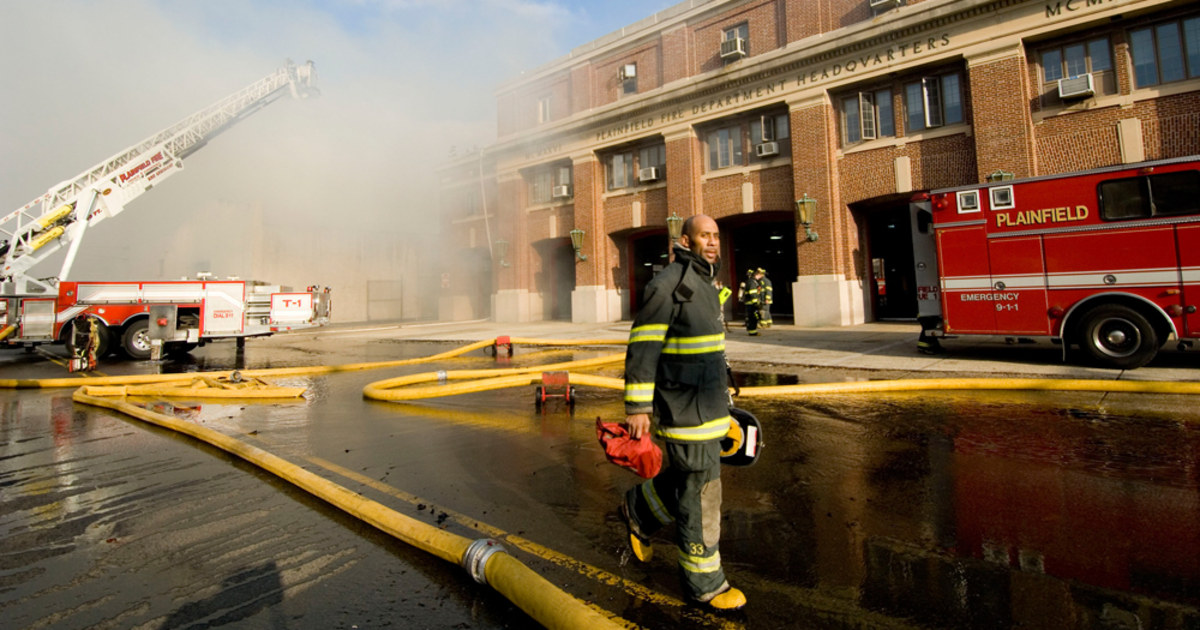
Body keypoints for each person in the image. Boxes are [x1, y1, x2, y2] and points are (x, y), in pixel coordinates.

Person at [619, 214, 747, 611]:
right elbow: (643, 348)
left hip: (708, 405)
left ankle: (638, 509)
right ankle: (704, 583)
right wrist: (638, 406)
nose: (712, 242)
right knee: (703, 492)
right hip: (681, 409)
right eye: (703, 236)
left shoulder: (708, 286)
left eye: (715, 236)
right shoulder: (668, 286)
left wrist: (726, 402)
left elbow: (710, 350)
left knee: (691, 479)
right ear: (686, 241)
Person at [738, 269, 760, 336]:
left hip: (748, 302)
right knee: (753, 318)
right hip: (751, 303)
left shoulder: (746, 282)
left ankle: (751, 330)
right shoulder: (752, 282)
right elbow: (752, 293)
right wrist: (755, 303)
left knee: (750, 317)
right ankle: (753, 332)